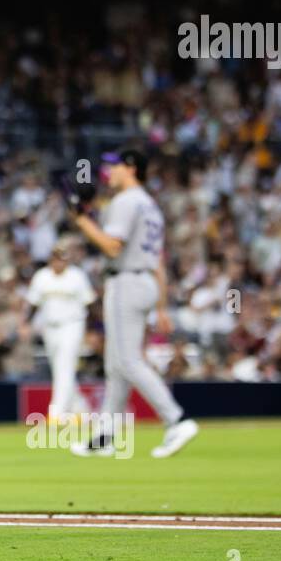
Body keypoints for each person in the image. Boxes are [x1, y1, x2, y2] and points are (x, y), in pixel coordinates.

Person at [66, 148, 199, 458]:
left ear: (131, 168)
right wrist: (162, 304)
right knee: (116, 364)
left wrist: (82, 220)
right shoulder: (150, 205)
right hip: (146, 281)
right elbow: (159, 263)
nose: (108, 173)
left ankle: (176, 419)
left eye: (114, 167)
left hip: (126, 280)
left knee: (127, 361)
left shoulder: (126, 201)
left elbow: (113, 247)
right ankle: (104, 436)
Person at [24, 238, 94, 422]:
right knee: (61, 369)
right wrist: (26, 323)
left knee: (64, 366)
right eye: (56, 259)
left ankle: (57, 414)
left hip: (72, 325)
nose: (58, 263)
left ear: (67, 261)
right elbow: (33, 304)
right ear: (50, 260)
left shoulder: (76, 276)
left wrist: (94, 329)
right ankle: (82, 411)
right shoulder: (42, 277)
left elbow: (90, 303)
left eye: (62, 259)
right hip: (50, 327)